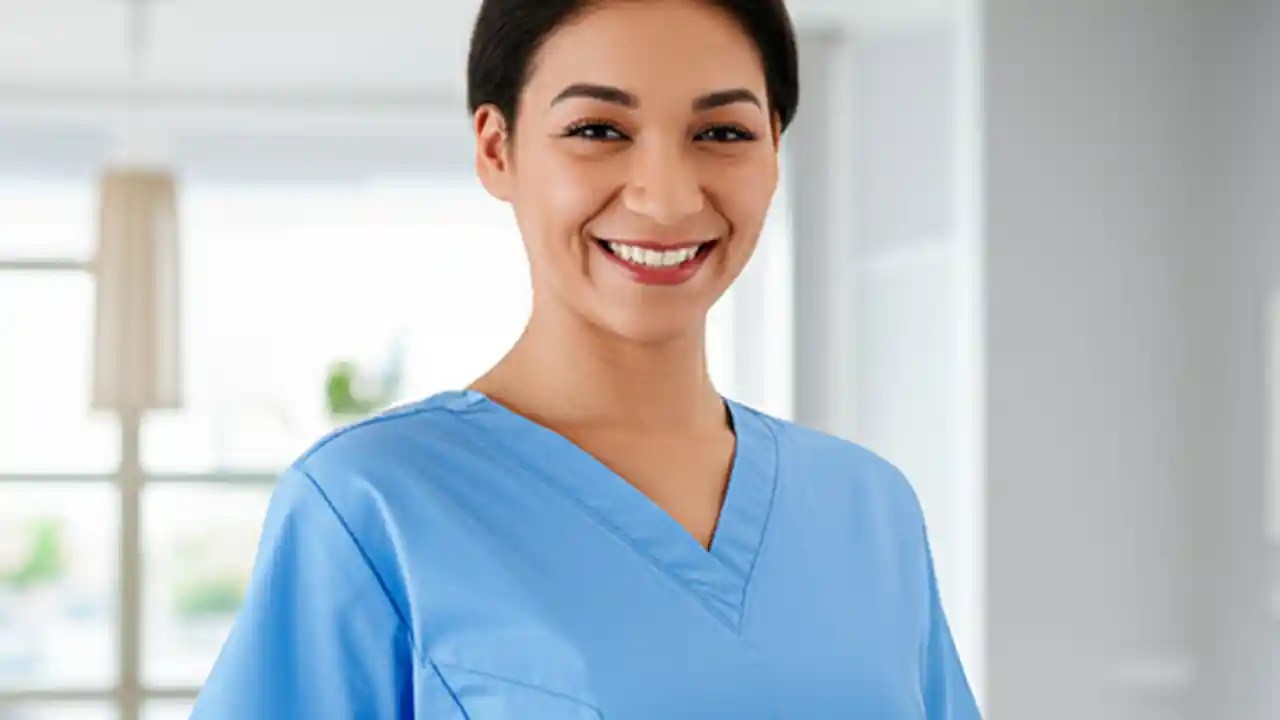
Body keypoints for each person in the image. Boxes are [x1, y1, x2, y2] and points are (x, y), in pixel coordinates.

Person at [190, 0, 981, 717]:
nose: (667, 198)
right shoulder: (372, 505)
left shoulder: (868, 509)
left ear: (774, 147)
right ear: (498, 150)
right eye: (599, 130)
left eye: (722, 133)